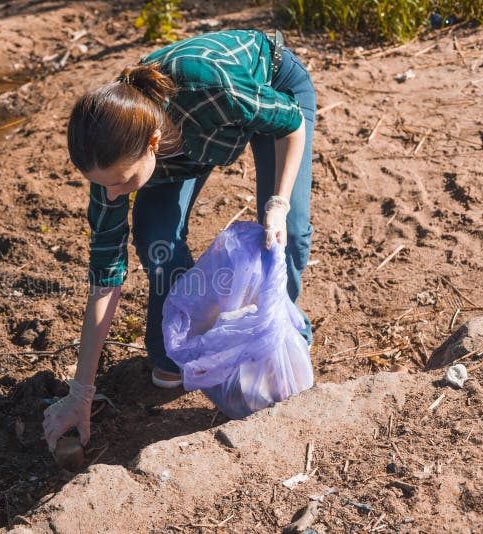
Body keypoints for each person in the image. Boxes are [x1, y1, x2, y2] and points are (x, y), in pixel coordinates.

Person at [43, 29, 316, 451]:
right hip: (182, 141)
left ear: (151, 144)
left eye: (121, 183)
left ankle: (271, 349)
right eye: (103, 186)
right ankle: (179, 349)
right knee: (156, 237)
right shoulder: (112, 160)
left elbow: (290, 122)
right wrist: (81, 392)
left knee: (286, 235)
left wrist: (278, 203)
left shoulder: (211, 88)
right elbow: (105, 276)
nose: (113, 195)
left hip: (269, 92)